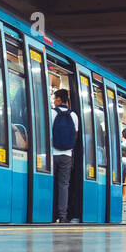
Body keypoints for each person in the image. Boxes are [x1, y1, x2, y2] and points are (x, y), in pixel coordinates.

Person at [50, 88, 78, 223]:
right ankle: (62, 215)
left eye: (55, 98)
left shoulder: (51, 113)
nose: (54, 101)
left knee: (50, 183)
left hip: (52, 153)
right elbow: (75, 136)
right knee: (63, 185)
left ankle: (49, 212)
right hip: (67, 155)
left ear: (59, 100)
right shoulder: (74, 116)